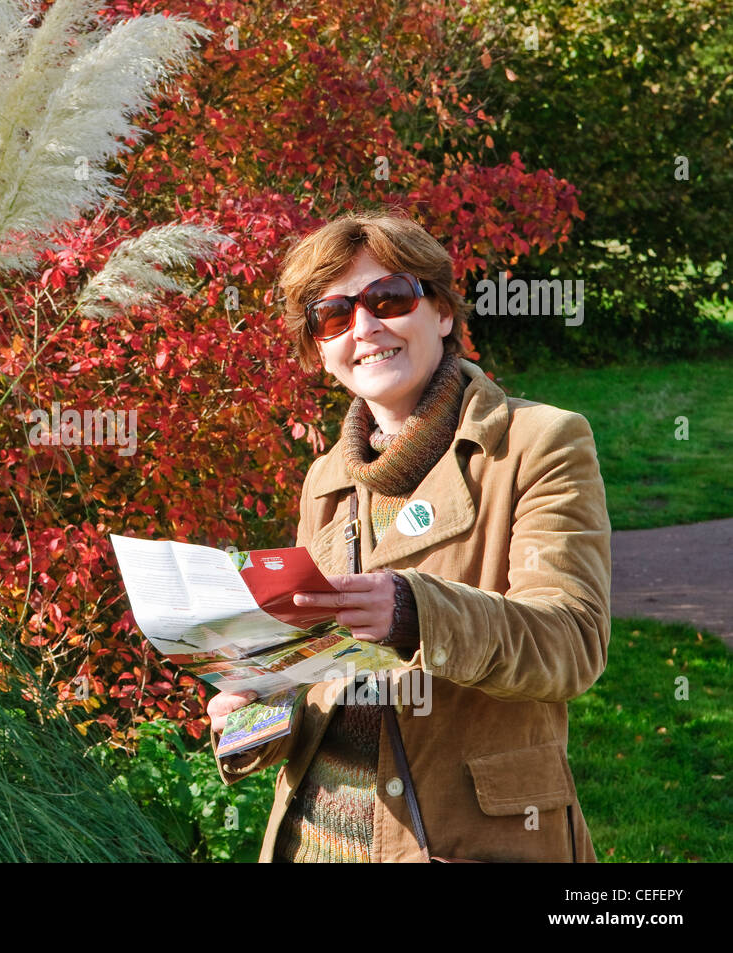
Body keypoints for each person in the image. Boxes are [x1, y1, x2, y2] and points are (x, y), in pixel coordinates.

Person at [208, 210, 611, 862]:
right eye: (332, 315)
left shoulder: (539, 444)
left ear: (444, 312)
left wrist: (413, 610)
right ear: (319, 348)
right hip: (315, 842)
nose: (364, 328)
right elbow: (315, 674)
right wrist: (250, 714)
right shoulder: (326, 479)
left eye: (388, 298)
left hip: (461, 840)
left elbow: (570, 642)